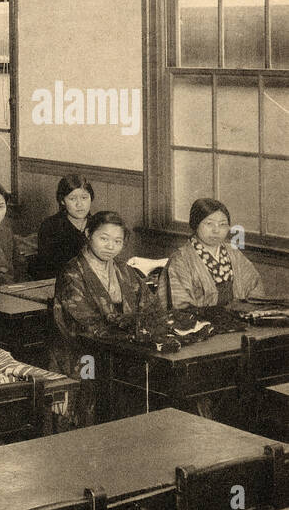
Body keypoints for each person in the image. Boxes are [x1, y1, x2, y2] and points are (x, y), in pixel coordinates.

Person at [54, 212, 160, 424]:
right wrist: (131, 328)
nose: (110, 246)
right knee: (91, 408)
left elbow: (150, 307)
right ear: (88, 234)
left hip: (124, 350)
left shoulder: (125, 270)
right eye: (104, 238)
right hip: (84, 354)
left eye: (117, 241)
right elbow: (85, 322)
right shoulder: (72, 273)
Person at [167, 198, 264, 309]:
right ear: (195, 224)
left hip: (239, 318)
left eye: (222, 224)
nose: (216, 230)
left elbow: (255, 288)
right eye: (209, 223)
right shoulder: (181, 259)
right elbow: (180, 303)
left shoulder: (234, 254)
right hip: (200, 322)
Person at [29, 174, 95, 280]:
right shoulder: (50, 226)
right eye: (72, 199)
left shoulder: (98, 225)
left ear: (91, 198)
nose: (79, 204)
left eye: (84, 198)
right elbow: (47, 270)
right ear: (62, 201)